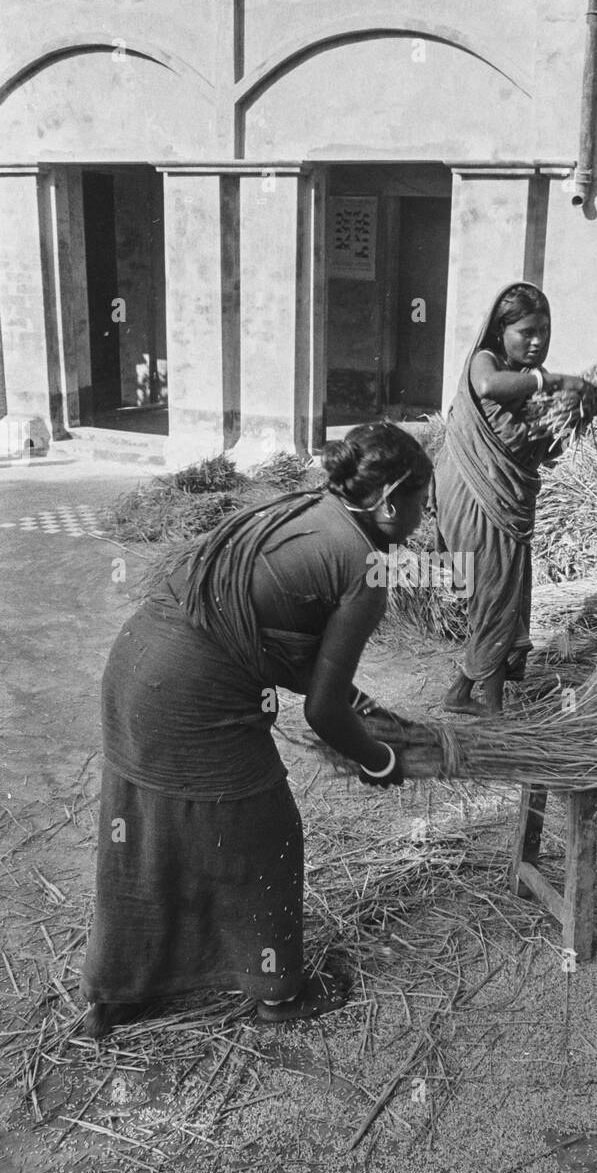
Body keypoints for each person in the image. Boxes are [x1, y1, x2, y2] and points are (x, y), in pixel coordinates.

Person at [82, 422, 432, 1038]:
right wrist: (380, 760)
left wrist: (371, 715)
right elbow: (322, 712)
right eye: (422, 504)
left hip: (136, 666)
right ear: (391, 502)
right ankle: (279, 993)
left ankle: (122, 990)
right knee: (265, 829)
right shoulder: (368, 569)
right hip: (191, 693)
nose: (423, 519)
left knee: (144, 825)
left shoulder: (309, 508)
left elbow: (292, 655)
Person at [434, 282, 597, 715]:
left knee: (505, 592)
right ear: (500, 331)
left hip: (509, 501)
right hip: (472, 495)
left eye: (544, 331)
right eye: (526, 331)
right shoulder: (484, 362)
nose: (538, 341)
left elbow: (541, 453)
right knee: (492, 590)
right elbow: (488, 387)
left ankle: (464, 695)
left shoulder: (532, 391)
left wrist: (580, 414)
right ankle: (490, 705)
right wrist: (557, 379)